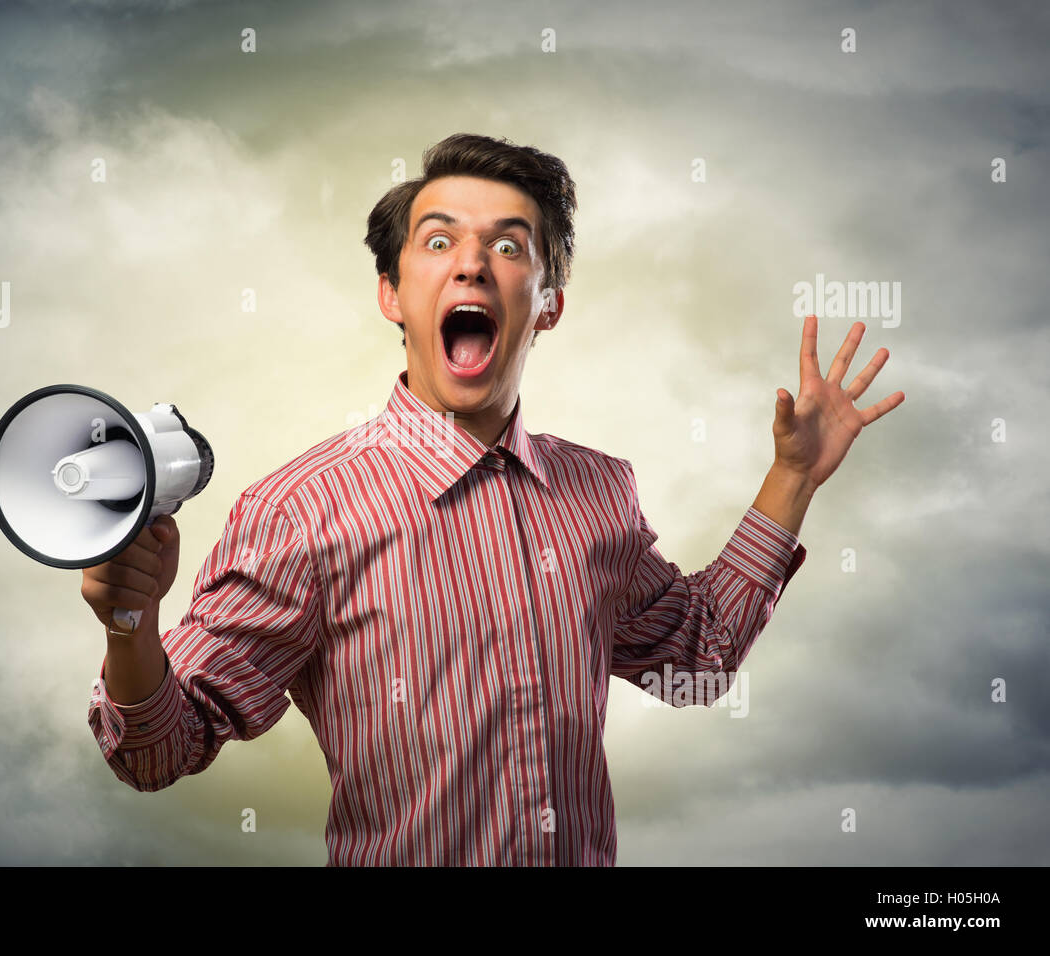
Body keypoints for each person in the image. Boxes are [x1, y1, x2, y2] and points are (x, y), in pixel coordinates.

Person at [80, 133, 905, 866]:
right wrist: (131, 624)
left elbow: (699, 656)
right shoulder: (300, 510)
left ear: (547, 303)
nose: (471, 263)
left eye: (509, 247)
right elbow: (157, 753)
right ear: (392, 295)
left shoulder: (598, 493)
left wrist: (792, 479)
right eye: (438, 242)